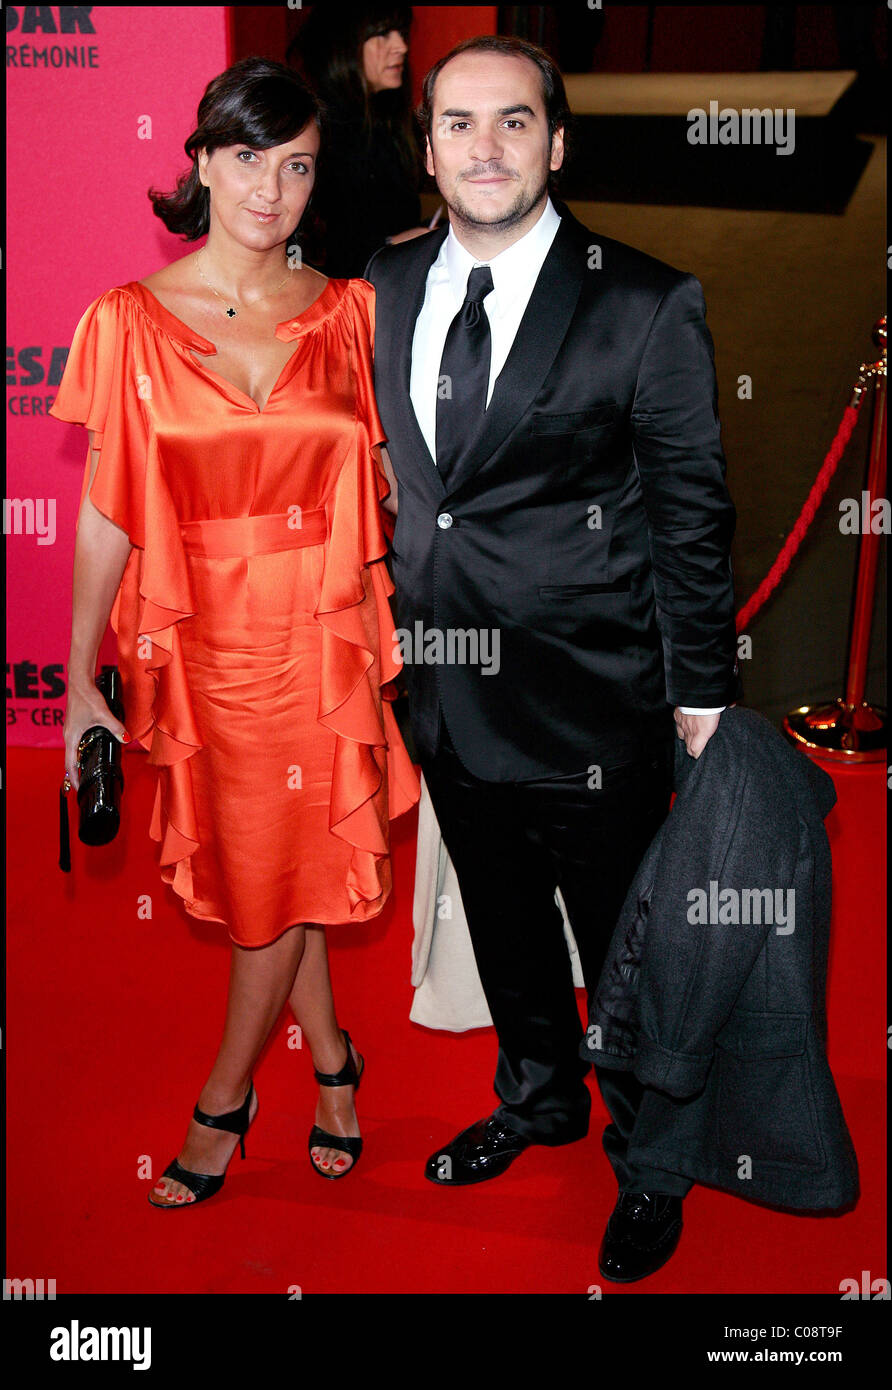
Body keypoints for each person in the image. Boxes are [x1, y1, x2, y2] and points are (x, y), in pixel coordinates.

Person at [364, 35, 739, 1280]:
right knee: (507, 929)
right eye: (458, 125)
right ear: (427, 150)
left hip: (598, 710)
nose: (484, 148)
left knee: (633, 952)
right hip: (448, 693)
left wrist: (700, 697)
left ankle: (649, 1155)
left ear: (556, 142)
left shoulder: (642, 299)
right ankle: (536, 1098)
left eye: (512, 123)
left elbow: (692, 513)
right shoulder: (392, 279)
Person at [50, 57, 418, 1207]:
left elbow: (397, 480)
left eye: (297, 164)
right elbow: (110, 510)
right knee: (275, 875)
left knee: (276, 875)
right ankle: (338, 1068)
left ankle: (224, 1101)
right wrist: (75, 682)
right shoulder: (127, 321)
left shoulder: (353, 313)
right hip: (203, 643)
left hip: (323, 637)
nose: (270, 187)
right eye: (247, 156)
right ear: (201, 161)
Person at [288, 2, 431, 276]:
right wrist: (389, 245)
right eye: (382, 34)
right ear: (345, 44)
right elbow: (307, 247)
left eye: (401, 32)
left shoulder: (390, 123)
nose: (401, 46)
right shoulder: (315, 132)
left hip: (391, 285)